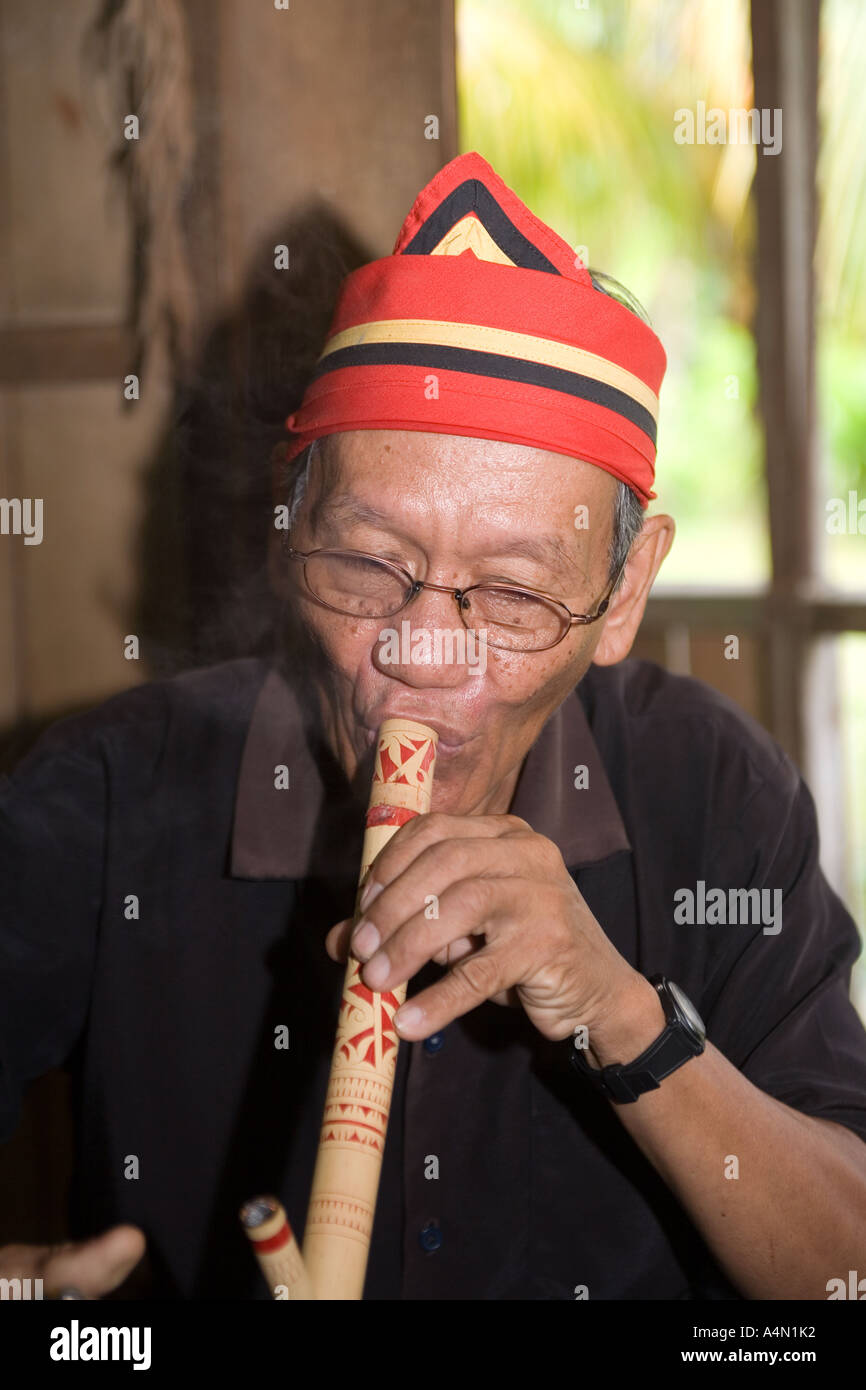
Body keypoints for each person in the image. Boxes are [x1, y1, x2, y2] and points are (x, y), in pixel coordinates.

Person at [1, 152, 865, 1301]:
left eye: (510, 597)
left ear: (622, 596)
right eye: (363, 564)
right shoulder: (114, 786)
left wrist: (618, 1012)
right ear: (283, 525)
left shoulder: (707, 786)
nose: (420, 651)